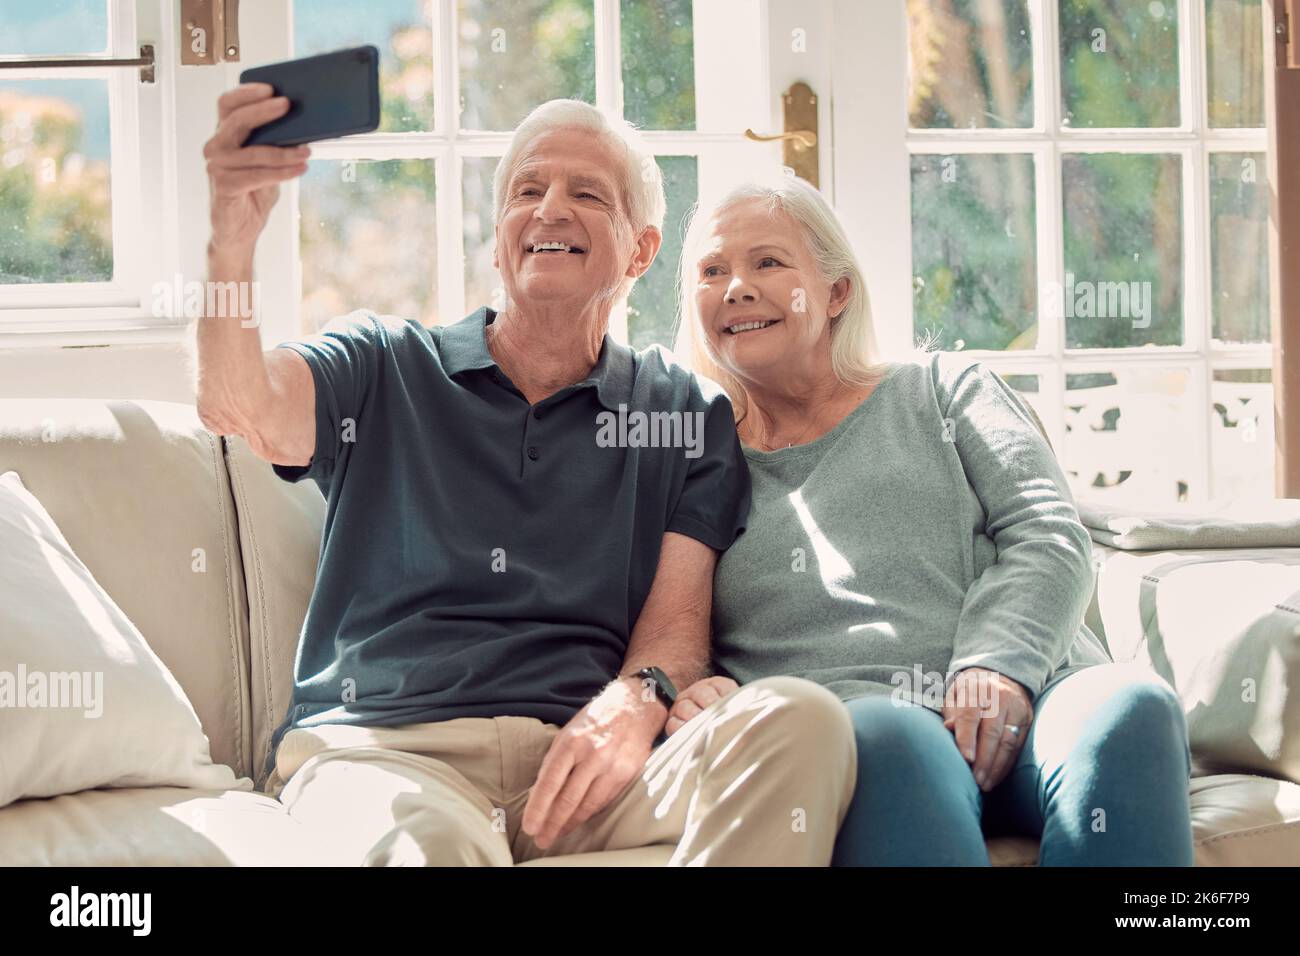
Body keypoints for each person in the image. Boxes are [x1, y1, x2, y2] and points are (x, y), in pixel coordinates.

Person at [193, 90, 856, 866]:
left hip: (590, 767)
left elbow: (676, 634)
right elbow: (237, 404)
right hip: (388, 752)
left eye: (587, 194)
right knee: (426, 848)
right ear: (499, 237)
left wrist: (636, 702)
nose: (551, 210)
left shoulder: (683, 412)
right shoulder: (384, 364)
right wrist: (228, 240)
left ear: (641, 252)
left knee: (803, 720)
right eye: (527, 191)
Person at [664, 172, 1196, 866]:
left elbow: (1047, 534)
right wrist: (694, 687)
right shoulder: (694, 464)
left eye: (767, 262)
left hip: (1034, 700)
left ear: (836, 291)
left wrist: (998, 667)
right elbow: (668, 629)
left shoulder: (947, 389)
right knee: (892, 738)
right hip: (867, 729)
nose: (737, 287)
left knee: (1133, 706)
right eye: (712, 270)